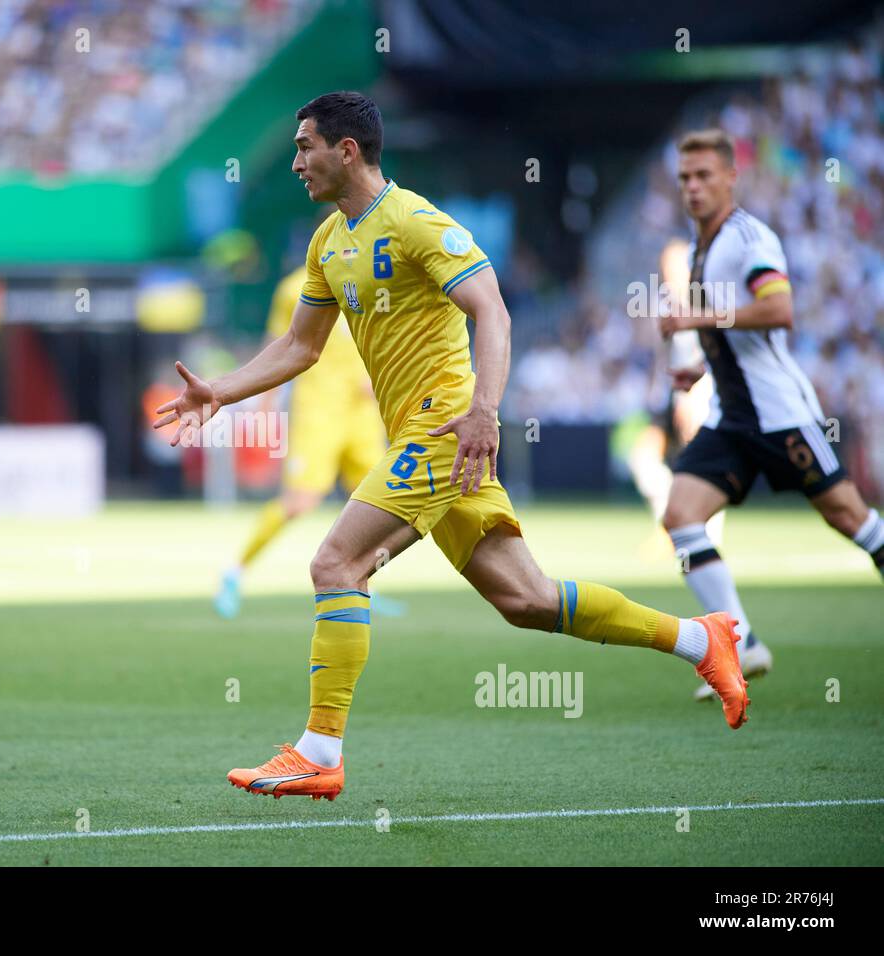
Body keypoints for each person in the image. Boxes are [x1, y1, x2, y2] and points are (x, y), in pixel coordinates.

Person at [154, 92, 748, 801]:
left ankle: (319, 750)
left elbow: (489, 307)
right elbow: (299, 347)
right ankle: (700, 638)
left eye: (305, 145)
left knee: (335, 562)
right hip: (426, 440)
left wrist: (484, 411)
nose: (295, 161)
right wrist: (221, 390)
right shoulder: (327, 242)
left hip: (445, 430)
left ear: (347, 151)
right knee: (526, 600)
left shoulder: (414, 220)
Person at [658, 130, 882, 703]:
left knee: (850, 517)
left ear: (732, 177)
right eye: (685, 177)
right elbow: (733, 339)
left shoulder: (749, 237)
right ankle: (740, 642)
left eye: (704, 175)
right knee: (680, 515)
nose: (693, 187)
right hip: (731, 417)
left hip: (780, 415)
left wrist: (695, 318)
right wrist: (698, 371)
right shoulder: (702, 244)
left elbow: (779, 308)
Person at [214, 262, 392, 619]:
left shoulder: (368, 279)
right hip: (319, 412)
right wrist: (264, 406)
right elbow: (279, 346)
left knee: (379, 507)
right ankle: (235, 571)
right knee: (299, 502)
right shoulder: (295, 288)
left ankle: (363, 585)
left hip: (362, 412)